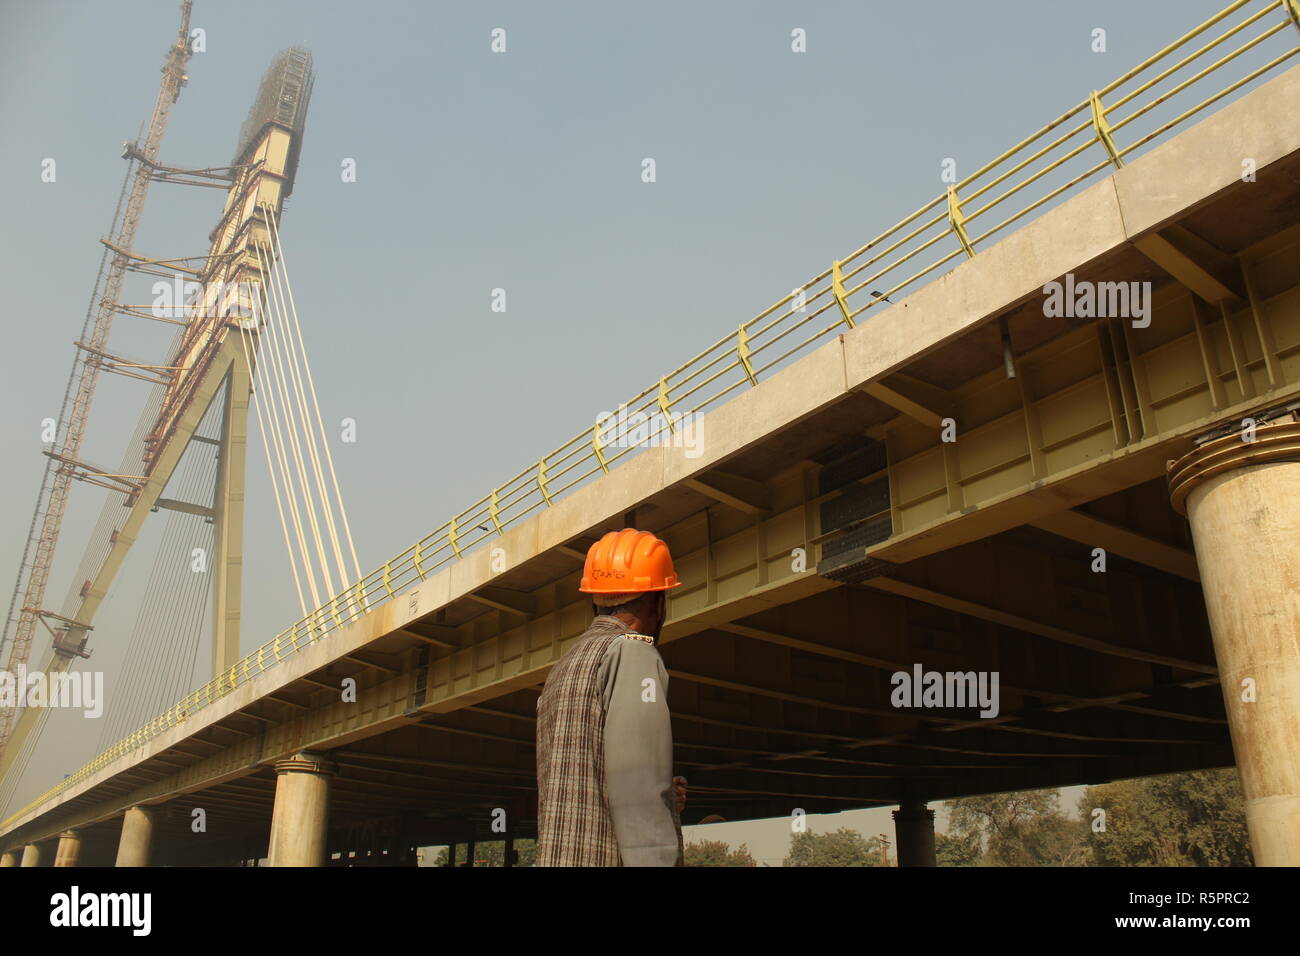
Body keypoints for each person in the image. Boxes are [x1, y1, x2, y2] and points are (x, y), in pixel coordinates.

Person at [535, 528, 685, 866]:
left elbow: (583, 779)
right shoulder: (633, 653)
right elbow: (638, 788)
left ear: (596, 599)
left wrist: (665, 794)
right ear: (658, 602)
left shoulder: (562, 669)